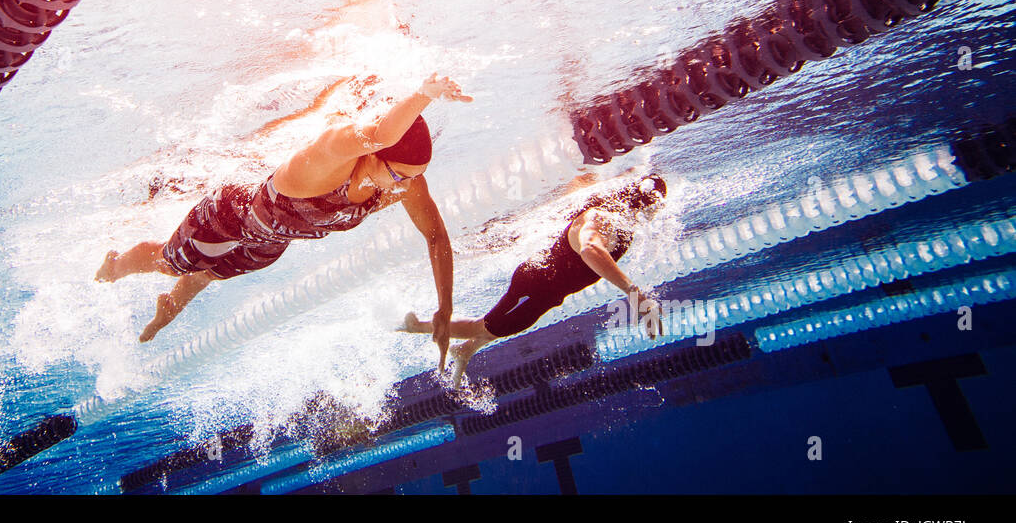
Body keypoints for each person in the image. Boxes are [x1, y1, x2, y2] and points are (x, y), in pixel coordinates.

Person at [96, 73, 472, 367]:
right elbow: (378, 132)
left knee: (211, 273)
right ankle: (117, 265)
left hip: (273, 242)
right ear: (373, 154)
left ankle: (169, 309)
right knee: (173, 263)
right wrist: (426, 93)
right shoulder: (330, 154)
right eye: (398, 175)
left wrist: (445, 308)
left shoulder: (400, 180)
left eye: (414, 176)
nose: (405, 187)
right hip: (233, 213)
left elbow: (436, 236)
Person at [400, 174, 668, 386]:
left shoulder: (622, 224)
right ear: (645, 204)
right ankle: (417, 326)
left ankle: (466, 351)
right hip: (535, 285)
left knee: (498, 327)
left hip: (545, 292)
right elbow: (589, 250)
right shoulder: (604, 219)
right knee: (484, 327)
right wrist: (636, 293)